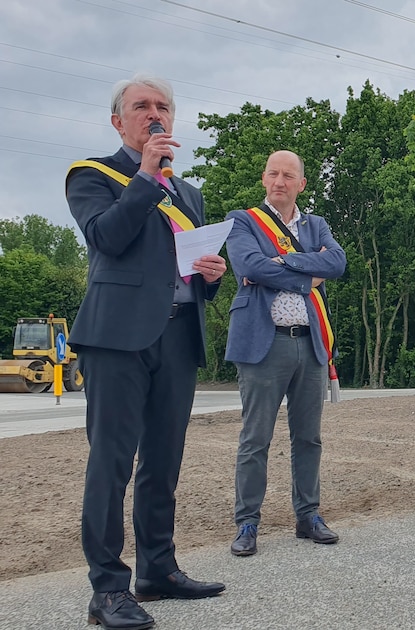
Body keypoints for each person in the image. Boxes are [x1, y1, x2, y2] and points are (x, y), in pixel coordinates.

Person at [66, 73, 227, 630]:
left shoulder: (189, 193)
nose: (154, 114)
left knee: (163, 462)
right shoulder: (92, 176)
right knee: (110, 465)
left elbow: (181, 267)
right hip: (116, 339)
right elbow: (107, 239)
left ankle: (157, 569)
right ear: (119, 121)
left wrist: (211, 274)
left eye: (163, 107)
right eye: (142, 106)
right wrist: (144, 177)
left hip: (178, 336)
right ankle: (107, 590)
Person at [224, 150, 347, 557]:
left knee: (308, 437)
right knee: (255, 438)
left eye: (288, 175)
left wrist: (286, 260)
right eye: (273, 174)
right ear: (264, 179)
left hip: (309, 342)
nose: (279, 181)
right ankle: (247, 523)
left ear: (301, 184)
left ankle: (308, 515)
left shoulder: (317, 225)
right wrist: (306, 275)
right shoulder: (243, 220)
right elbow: (251, 265)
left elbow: (338, 262)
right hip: (263, 342)